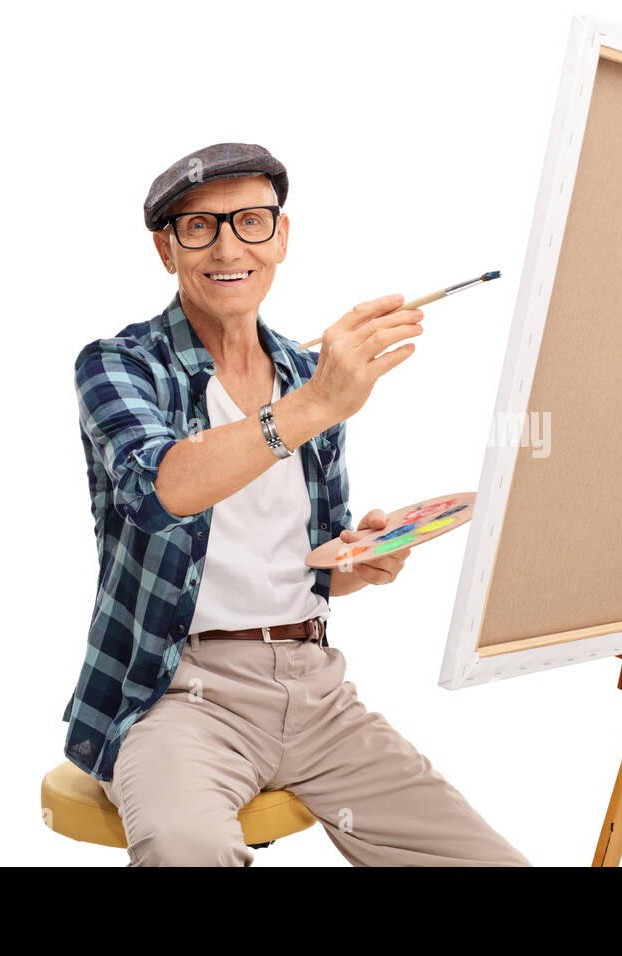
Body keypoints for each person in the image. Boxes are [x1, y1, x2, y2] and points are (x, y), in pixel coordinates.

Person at [60, 142, 529, 866]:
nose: (226, 246)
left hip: (316, 692)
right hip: (180, 696)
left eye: (250, 222)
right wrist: (311, 406)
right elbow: (159, 491)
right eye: (198, 227)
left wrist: (357, 558)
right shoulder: (119, 365)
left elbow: (304, 565)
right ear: (166, 249)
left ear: (281, 237)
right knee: (186, 849)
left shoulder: (307, 373)